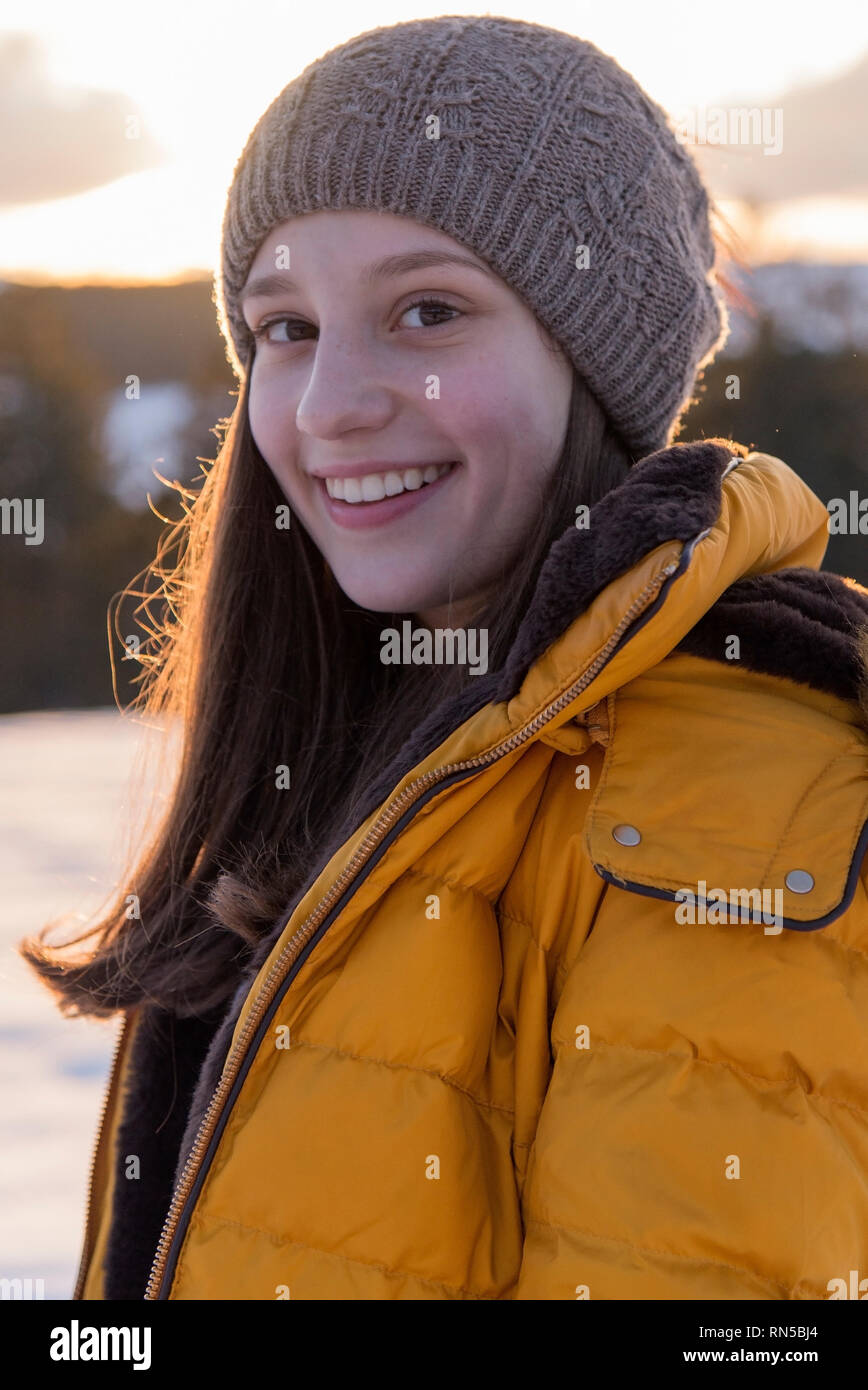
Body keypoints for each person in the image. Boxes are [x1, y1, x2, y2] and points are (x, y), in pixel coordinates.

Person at [21, 14, 868, 1301]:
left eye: (427, 310)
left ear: (594, 363)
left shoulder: (736, 805)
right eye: (286, 327)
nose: (327, 405)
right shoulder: (353, 739)